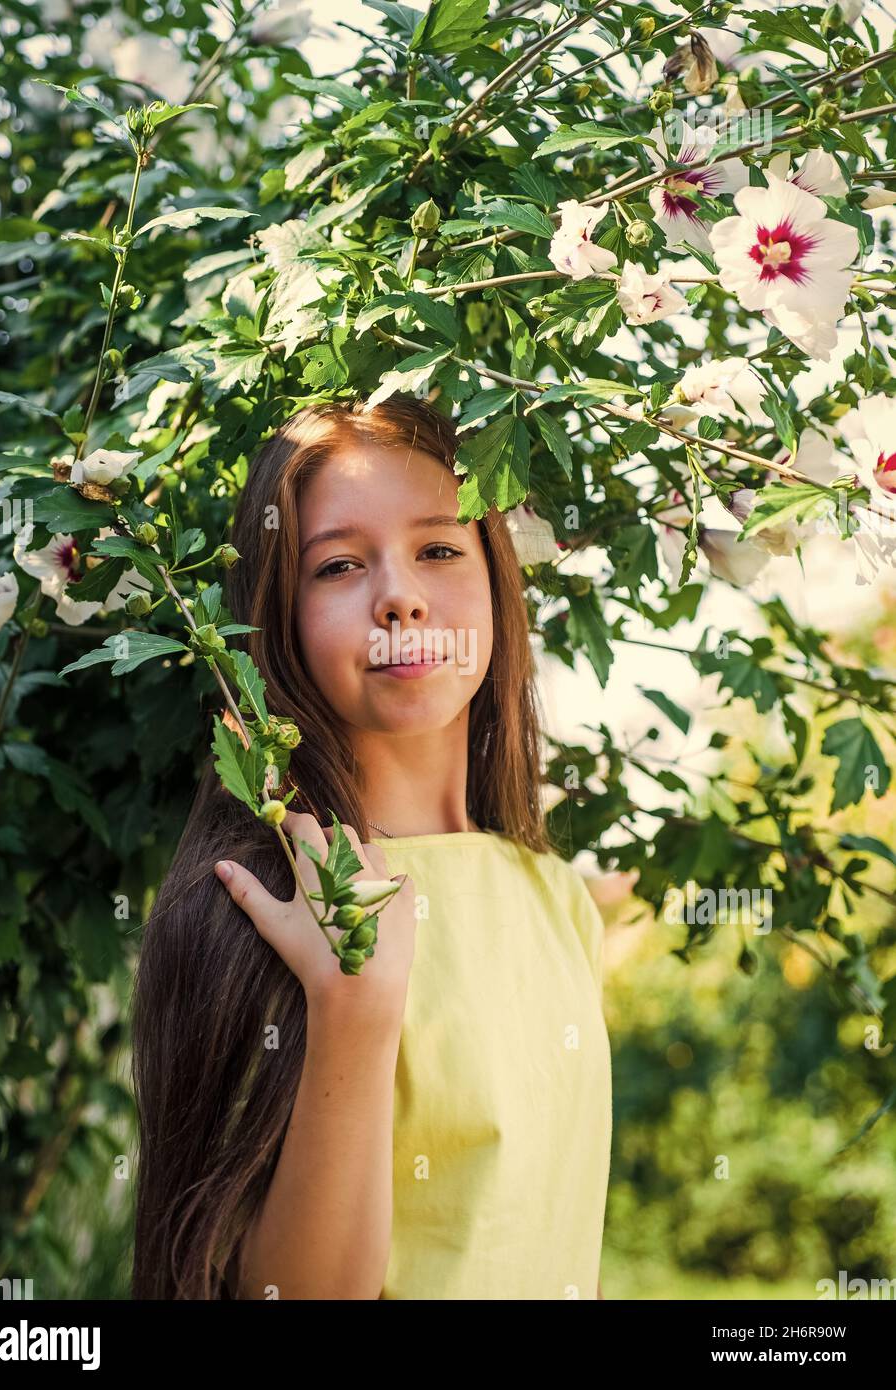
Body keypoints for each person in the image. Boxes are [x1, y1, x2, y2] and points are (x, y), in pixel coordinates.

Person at [130, 394, 611, 1300]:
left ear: (496, 577)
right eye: (340, 566)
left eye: (438, 548)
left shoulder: (558, 898)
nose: (399, 595)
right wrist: (354, 1007)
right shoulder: (264, 899)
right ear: (280, 618)